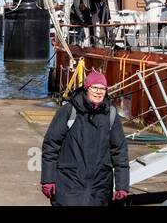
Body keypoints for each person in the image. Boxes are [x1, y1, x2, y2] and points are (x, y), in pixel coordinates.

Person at [40, 70, 130, 206]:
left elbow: (120, 151)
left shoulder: (111, 115)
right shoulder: (69, 111)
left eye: (102, 89)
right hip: (69, 183)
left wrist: (122, 185)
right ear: (87, 88)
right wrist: (48, 179)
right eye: (95, 87)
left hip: (100, 187)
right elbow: (51, 145)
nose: (98, 92)